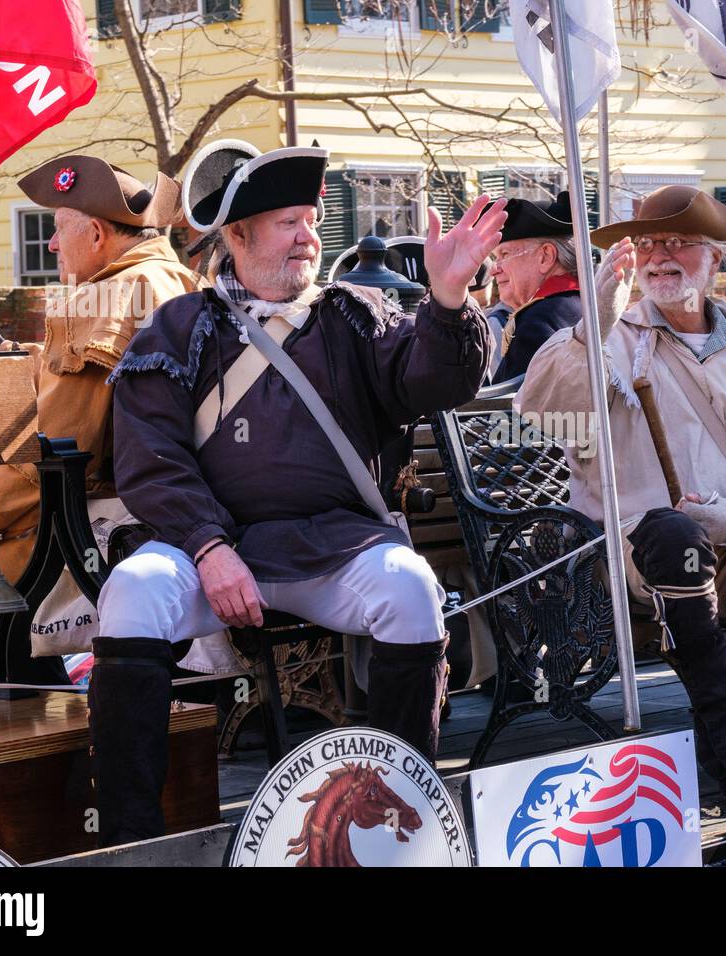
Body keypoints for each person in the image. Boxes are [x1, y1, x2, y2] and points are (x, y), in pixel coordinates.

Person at [92, 141, 505, 846]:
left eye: (311, 220)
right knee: (130, 592)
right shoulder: (180, 329)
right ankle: (133, 841)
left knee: (409, 589)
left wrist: (446, 297)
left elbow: (435, 382)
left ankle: (401, 817)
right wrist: (208, 547)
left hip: (335, 547)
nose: (308, 235)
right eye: (287, 222)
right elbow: (151, 459)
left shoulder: (355, 314)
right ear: (238, 236)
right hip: (211, 550)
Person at [518, 185, 726, 795]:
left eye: (680, 242)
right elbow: (544, 410)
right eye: (648, 242)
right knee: (674, 536)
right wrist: (590, 326)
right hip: (634, 557)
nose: (660, 255)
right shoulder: (607, 337)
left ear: (716, 257)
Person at [0, 156, 198, 678]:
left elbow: (54, 454)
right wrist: (13, 356)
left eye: (56, 229)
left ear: (95, 234)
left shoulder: (100, 300)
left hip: (96, 529)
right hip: (174, 520)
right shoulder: (180, 284)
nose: (49, 245)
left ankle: (12, 749)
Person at [487, 191, 582, 384]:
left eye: (504, 254)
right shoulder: (584, 305)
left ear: (546, 256)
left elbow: (514, 412)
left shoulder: (537, 321)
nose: (494, 270)